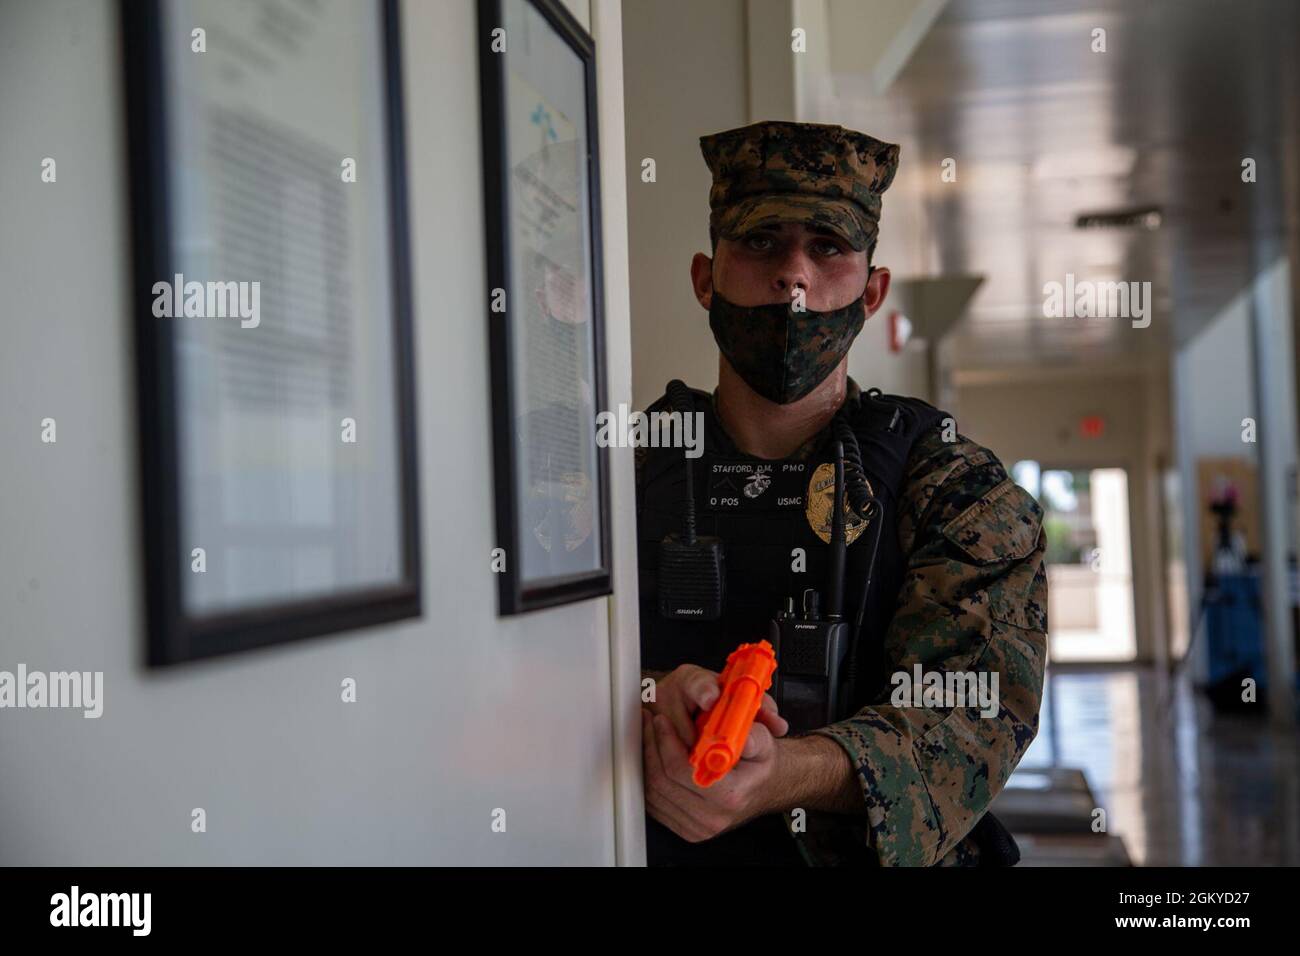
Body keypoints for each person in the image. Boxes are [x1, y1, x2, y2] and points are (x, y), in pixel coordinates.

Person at [636, 120, 1048, 866]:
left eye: (828, 248)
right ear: (705, 278)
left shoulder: (954, 488)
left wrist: (785, 774)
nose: (794, 276)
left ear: (872, 291)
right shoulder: (620, 470)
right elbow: (516, 668)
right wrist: (653, 699)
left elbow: (974, 720)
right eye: (760, 243)